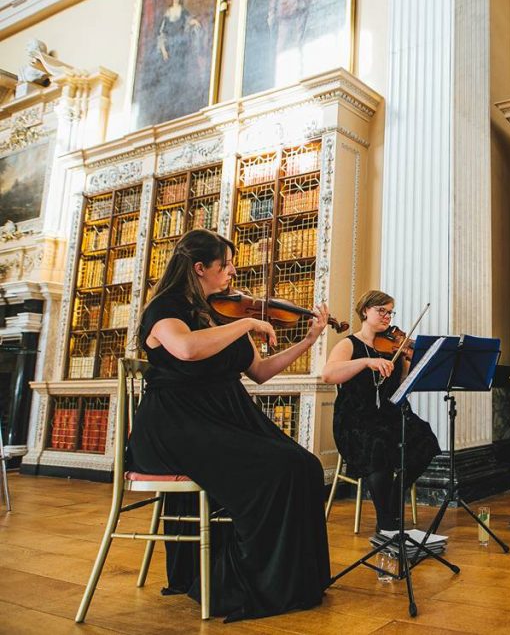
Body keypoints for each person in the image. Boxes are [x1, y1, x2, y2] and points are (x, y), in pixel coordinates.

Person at [126, 229, 331, 622]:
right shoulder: (164, 308)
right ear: (200, 268)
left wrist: (308, 340)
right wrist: (247, 325)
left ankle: (293, 581)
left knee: (303, 465)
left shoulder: (217, 312)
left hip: (222, 418)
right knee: (280, 470)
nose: (234, 271)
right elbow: (186, 348)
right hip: (177, 424)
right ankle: (248, 581)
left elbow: (260, 372)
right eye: (226, 264)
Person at [323, 290, 440, 533]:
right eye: (381, 311)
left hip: (387, 415)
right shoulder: (349, 344)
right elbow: (329, 374)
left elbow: (400, 386)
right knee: (378, 444)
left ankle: (395, 500)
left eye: (390, 312)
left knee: (425, 438)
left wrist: (407, 360)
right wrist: (366, 362)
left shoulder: (391, 347)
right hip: (354, 418)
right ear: (365, 311)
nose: (387, 317)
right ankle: (386, 524)